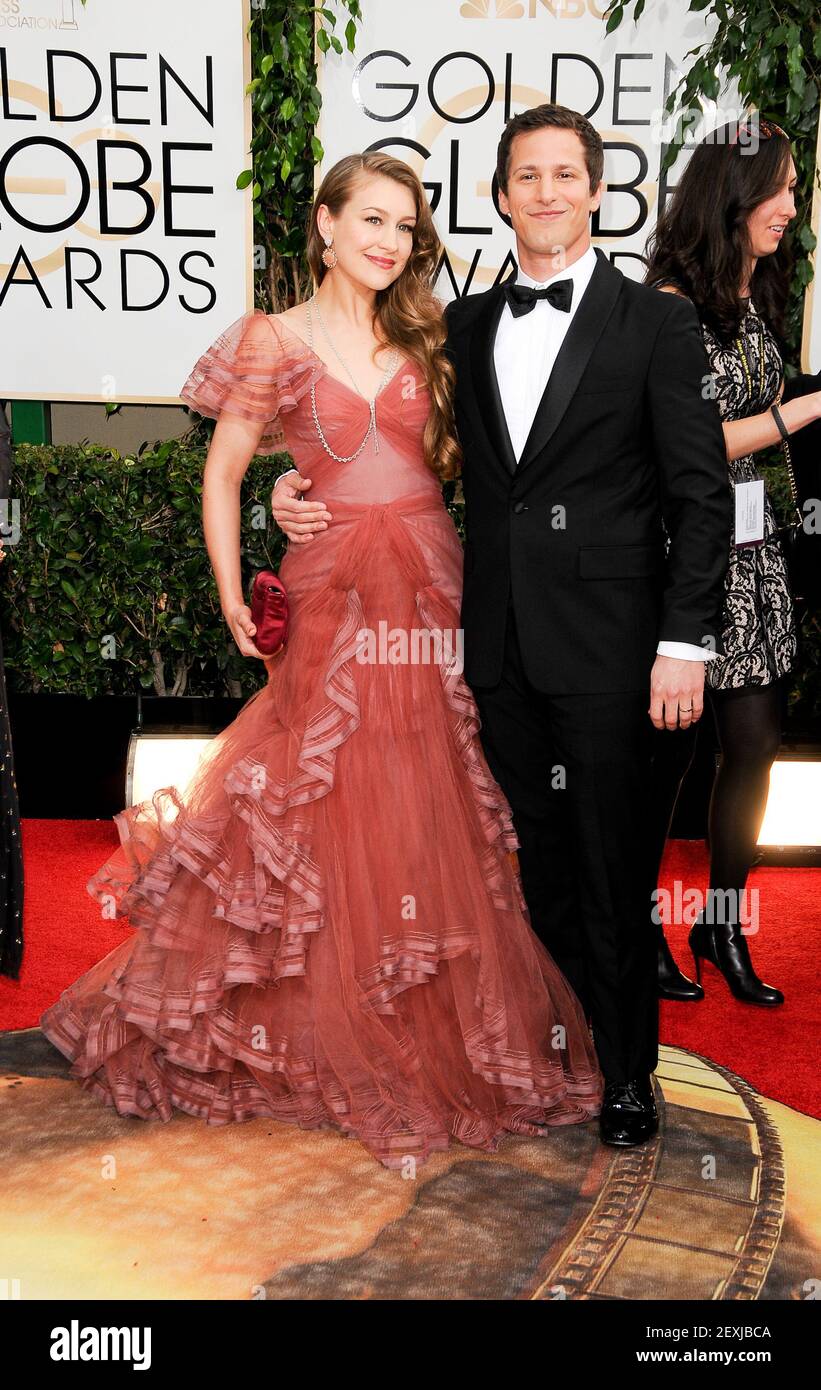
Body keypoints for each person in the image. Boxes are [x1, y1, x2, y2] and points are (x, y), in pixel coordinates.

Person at [39, 151, 604, 1173]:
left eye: (404, 226)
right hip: (331, 585)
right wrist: (232, 582)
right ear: (326, 224)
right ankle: (316, 1019)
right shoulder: (273, 337)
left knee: (427, 786)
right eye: (371, 220)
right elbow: (222, 470)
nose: (388, 241)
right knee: (321, 790)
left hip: (432, 575)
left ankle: (413, 1011)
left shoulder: (432, 331)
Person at [273, 107, 732, 1148]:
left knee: (614, 869)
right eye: (526, 176)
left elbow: (699, 498)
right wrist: (287, 494)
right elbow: (385, 445)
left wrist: (682, 642)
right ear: (499, 196)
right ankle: (561, 1043)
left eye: (564, 174)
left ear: (596, 191)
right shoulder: (464, 327)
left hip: (620, 655)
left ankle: (626, 1073)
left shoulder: (652, 324)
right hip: (495, 651)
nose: (545, 193)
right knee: (528, 865)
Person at [643, 115, 821, 1007]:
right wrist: (804, 411)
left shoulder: (758, 289)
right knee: (667, 758)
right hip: (685, 556)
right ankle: (639, 926)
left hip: (753, 556)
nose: (793, 205)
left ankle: (718, 921)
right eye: (782, 187)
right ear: (734, 192)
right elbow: (690, 444)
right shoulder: (670, 303)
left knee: (753, 745)